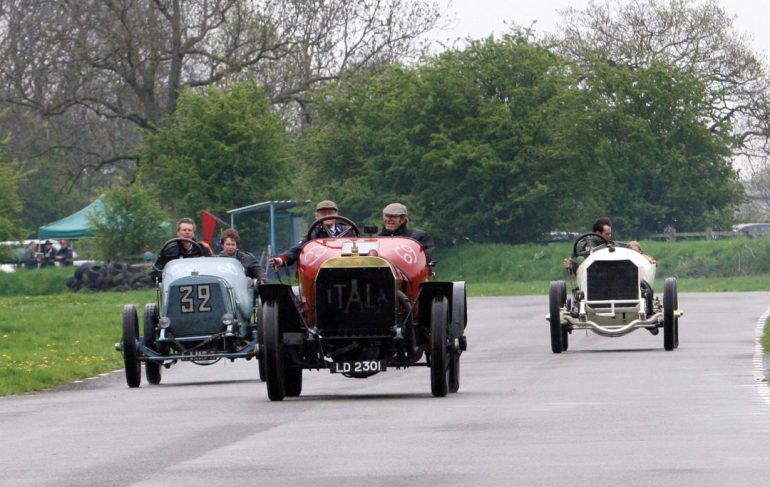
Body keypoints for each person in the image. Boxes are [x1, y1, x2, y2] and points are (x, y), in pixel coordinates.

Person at [270, 200, 347, 269]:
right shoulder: (312, 235)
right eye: (323, 213)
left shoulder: (348, 231)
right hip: (321, 270)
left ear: (336, 215)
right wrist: (281, 260)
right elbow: (296, 251)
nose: (327, 216)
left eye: (330, 213)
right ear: (317, 216)